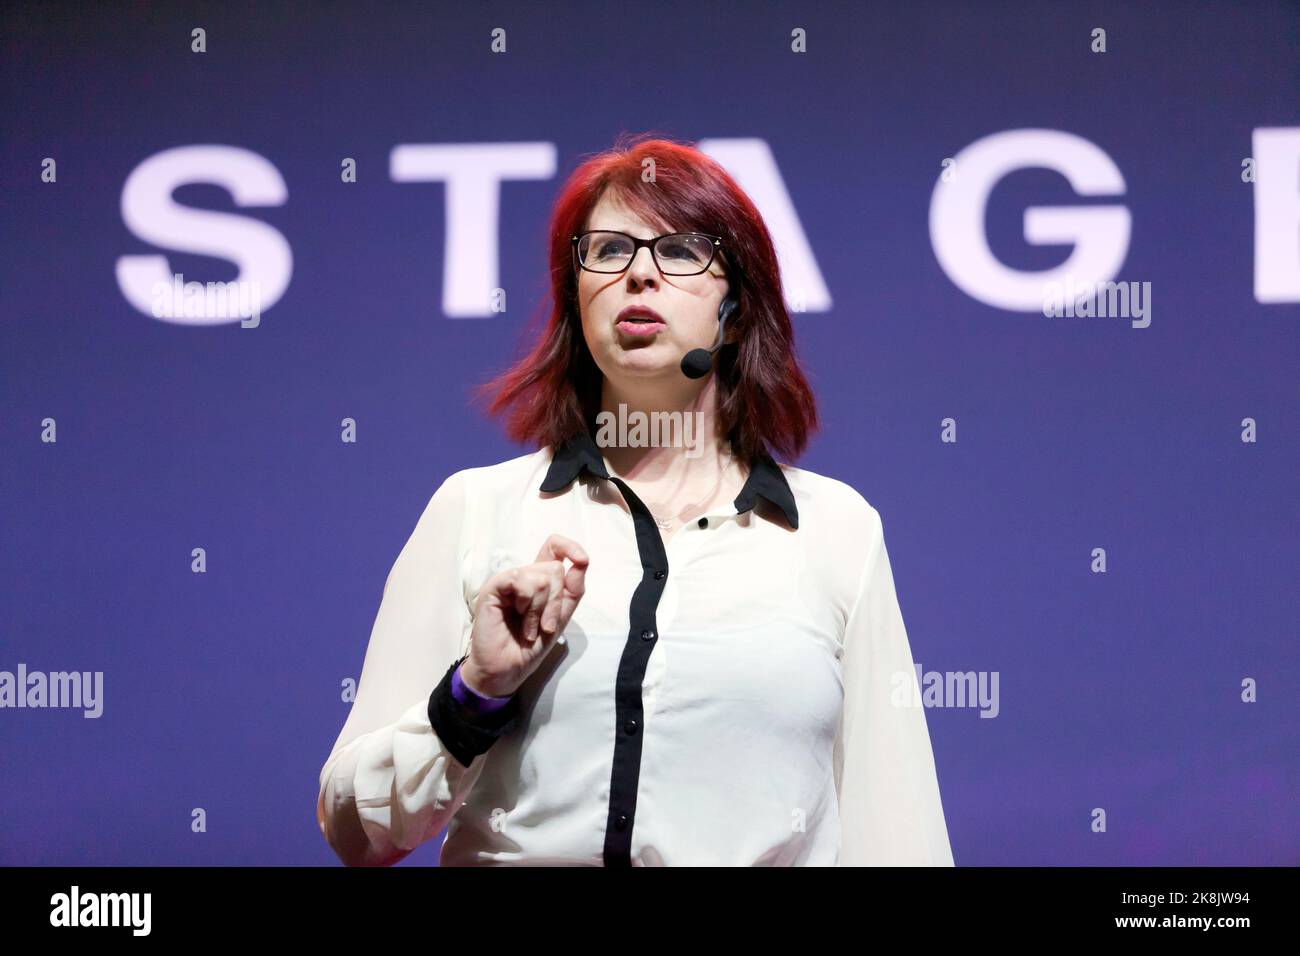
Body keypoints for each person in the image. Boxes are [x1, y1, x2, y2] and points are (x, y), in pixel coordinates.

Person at [316, 134, 955, 867]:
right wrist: (477, 691)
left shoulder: (837, 530)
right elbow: (353, 833)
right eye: (609, 251)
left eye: (681, 251)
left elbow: (898, 832)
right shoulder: (477, 509)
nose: (639, 276)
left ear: (736, 309)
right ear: (576, 299)